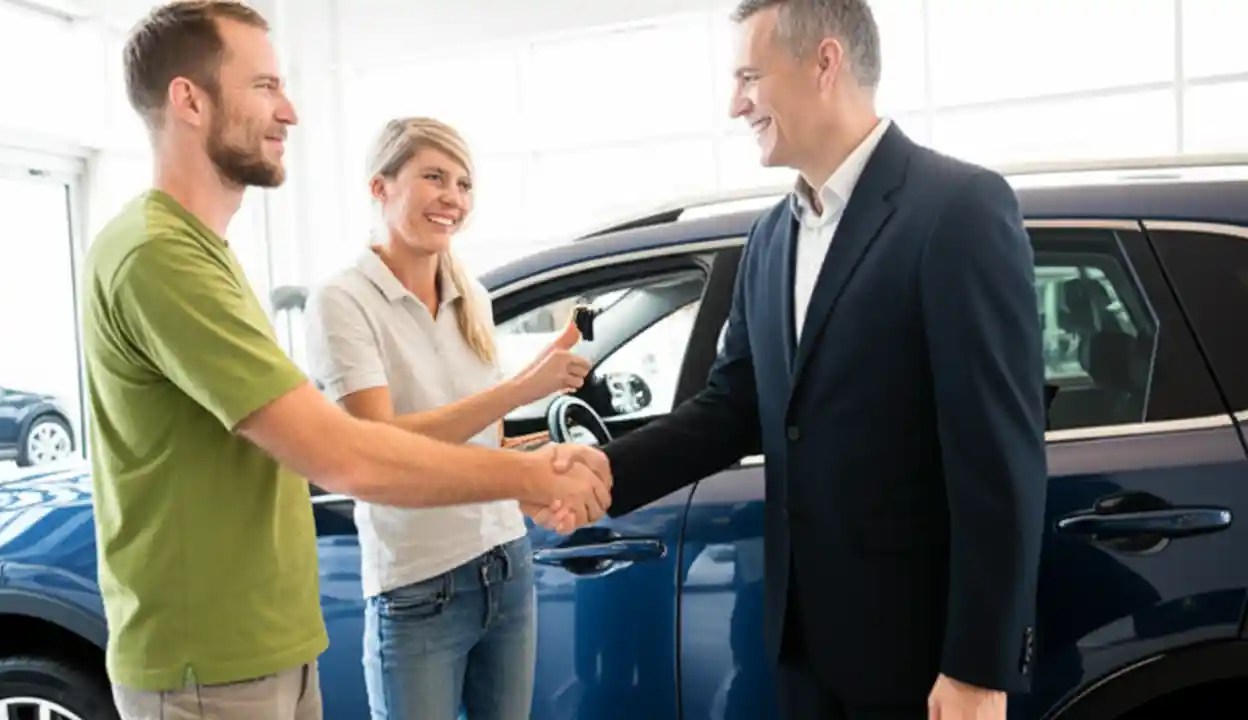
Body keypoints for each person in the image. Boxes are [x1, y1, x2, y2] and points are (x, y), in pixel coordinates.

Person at [80, 3, 607, 719]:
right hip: (209, 659)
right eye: (265, 85)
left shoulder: (206, 251)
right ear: (189, 99)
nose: (289, 111)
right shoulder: (158, 255)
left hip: (264, 643)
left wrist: (524, 459)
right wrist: (529, 474)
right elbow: (346, 453)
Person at [554, 1, 1047, 718]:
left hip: (919, 652)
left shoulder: (957, 207)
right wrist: (609, 468)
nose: (735, 104)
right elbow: (736, 405)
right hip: (804, 644)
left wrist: (977, 667)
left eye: (750, 76)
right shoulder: (771, 238)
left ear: (824, 62)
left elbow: (998, 456)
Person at [303, 117, 587, 719]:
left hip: (505, 564)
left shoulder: (472, 296)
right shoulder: (342, 301)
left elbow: (486, 443)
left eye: (464, 183)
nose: (453, 198)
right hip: (418, 588)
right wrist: (517, 390)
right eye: (434, 177)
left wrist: (536, 480)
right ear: (380, 187)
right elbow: (377, 446)